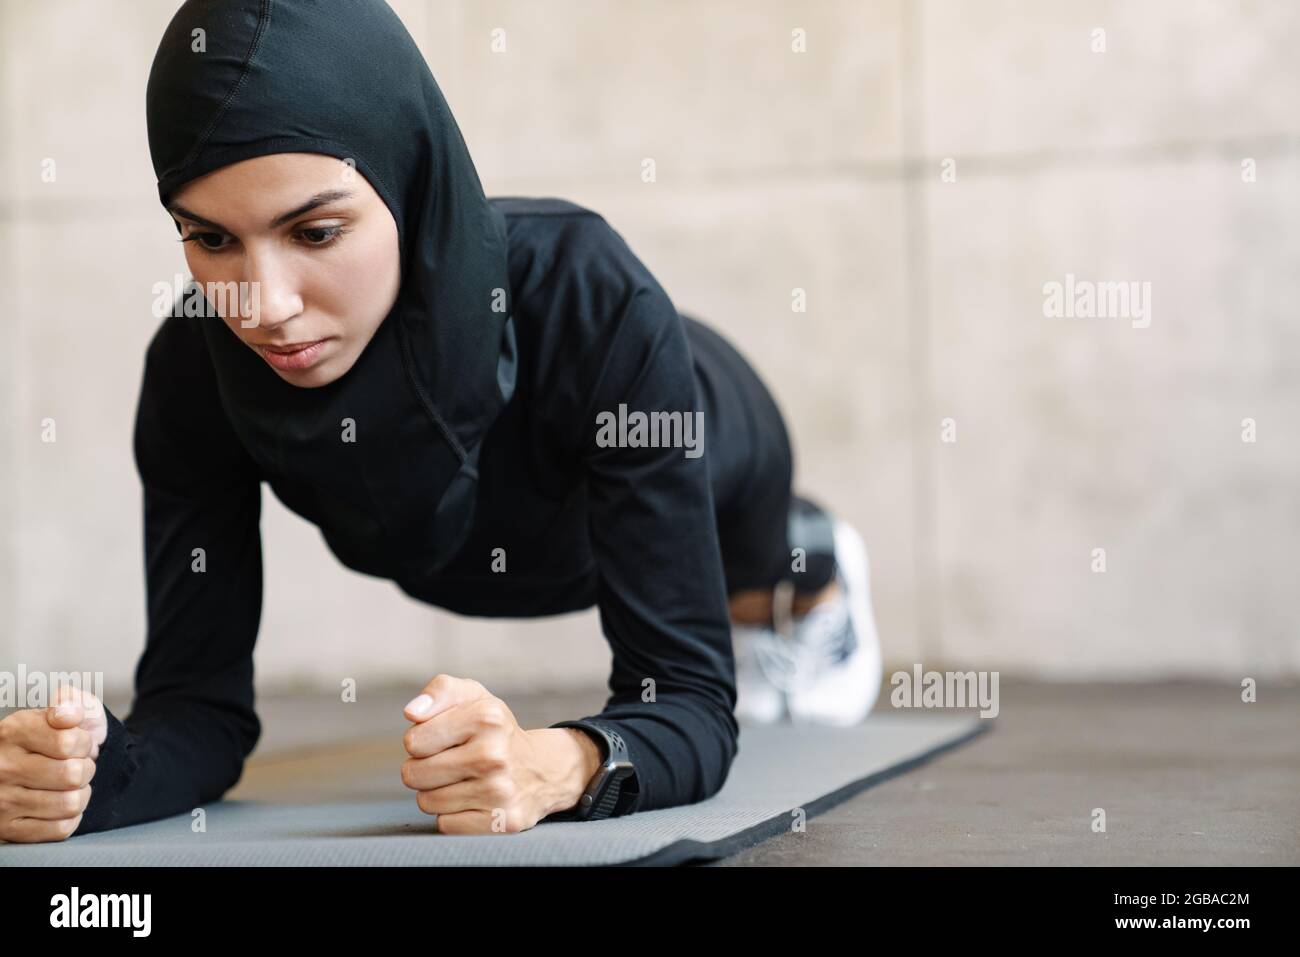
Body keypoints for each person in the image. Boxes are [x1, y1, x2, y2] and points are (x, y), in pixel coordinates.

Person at [0, 0, 881, 844]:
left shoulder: (589, 295)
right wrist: (95, 773)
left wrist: (554, 764)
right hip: (471, 552)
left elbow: (687, 699)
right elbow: (197, 709)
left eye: (313, 233)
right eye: (211, 238)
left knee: (755, 581)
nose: (261, 307)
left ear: (410, 173)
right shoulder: (196, 365)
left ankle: (818, 566)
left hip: (713, 429)